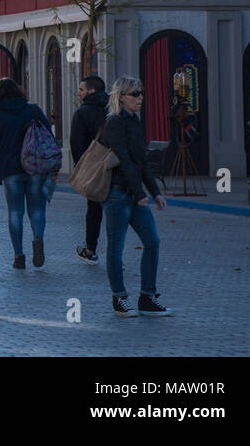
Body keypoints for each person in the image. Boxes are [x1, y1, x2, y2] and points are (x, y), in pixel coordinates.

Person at [102, 76, 173, 317]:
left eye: (141, 93)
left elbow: (141, 162)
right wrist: (139, 192)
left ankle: (147, 297)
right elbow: (123, 159)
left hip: (134, 194)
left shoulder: (134, 121)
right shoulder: (114, 122)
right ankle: (119, 299)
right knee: (116, 247)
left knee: (152, 241)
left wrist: (155, 192)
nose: (140, 97)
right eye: (135, 93)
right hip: (117, 194)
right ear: (121, 96)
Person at [0, 77, 54, 269]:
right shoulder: (33, 110)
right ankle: (38, 238)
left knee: (15, 212)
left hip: (11, 169)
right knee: (37, 209)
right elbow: (48, 133)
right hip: (36, 167)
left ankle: (18, 256)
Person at [69, 74, 109, 265]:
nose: (78, 93)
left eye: (81, 89)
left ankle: (91, 249)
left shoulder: (82, 113)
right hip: (115, 165)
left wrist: (82, 167)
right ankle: (115, 255)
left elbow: (76, 144)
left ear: (91, 91)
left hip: (93, 168)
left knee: (94, 209)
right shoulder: (112, 110)